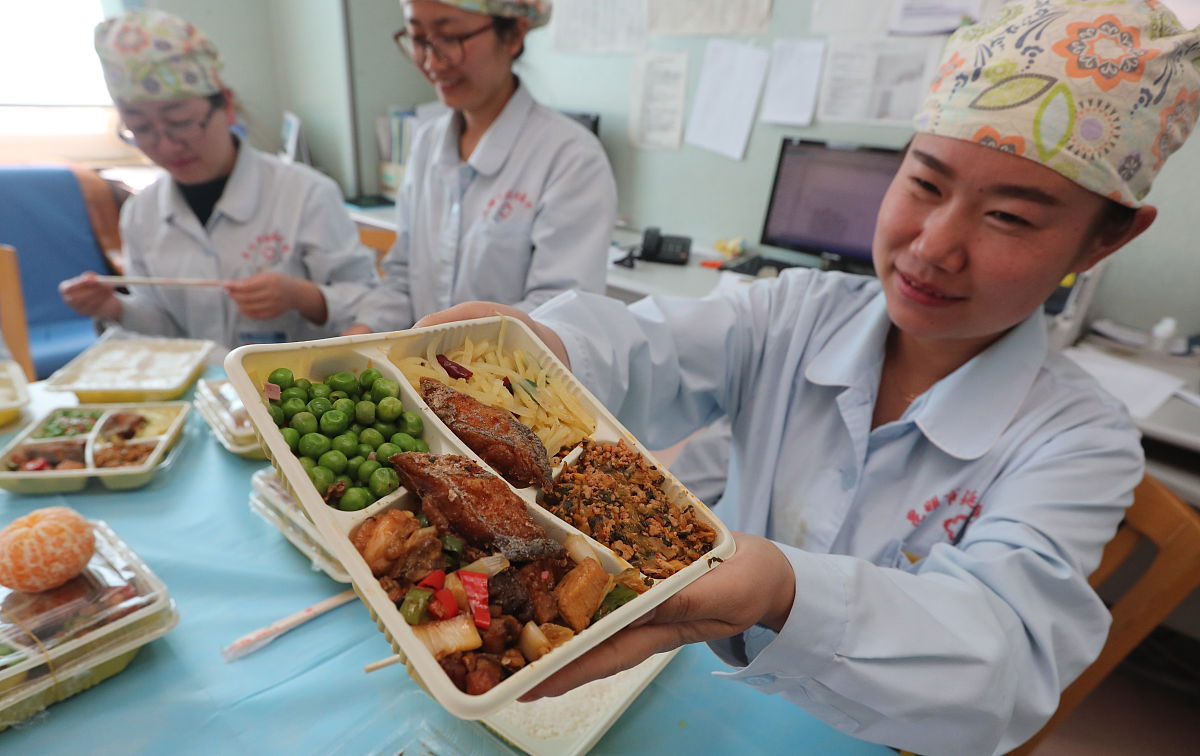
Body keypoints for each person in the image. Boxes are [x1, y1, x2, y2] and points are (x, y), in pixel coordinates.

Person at [415, 3, 1200, 754]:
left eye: (1011, 219)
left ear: (1106, 239)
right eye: (924, 184)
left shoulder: (1079, 441)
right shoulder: (798, 312)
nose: (933, 247)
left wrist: (784, 592)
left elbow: (1004, 664)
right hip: (683, 677)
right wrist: (543, 345)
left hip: (868, 731)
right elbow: (646, 344)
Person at [59, 10, 378, 351]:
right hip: (199, 394)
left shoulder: (306, 193)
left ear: (225, 105)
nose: (165, 145)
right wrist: (115, 308)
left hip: (296, 395)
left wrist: (303, 296)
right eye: (142, 129)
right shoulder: (141, 213)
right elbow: (164, 327)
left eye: (180, 121)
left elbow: (370, 303)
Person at [343, 0, 617, 335]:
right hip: (418, 375)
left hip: (507, 383)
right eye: (418, 39)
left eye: (452, 36)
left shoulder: (571, 158)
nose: (432, 62)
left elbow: (559, 312)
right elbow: (402, 278)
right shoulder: (427, 143)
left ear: (514, 34)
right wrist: (362, 333)